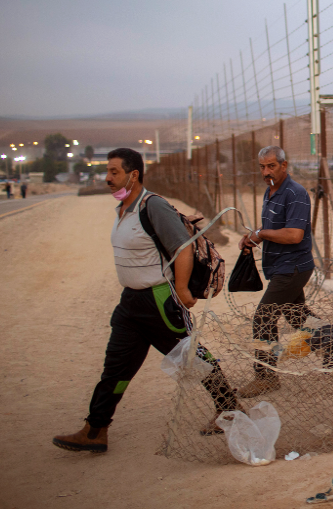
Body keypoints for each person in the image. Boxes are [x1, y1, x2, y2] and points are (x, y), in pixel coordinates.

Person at [52, 148, 238, 453]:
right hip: (130, 305)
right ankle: (96, 429)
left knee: (191, 357)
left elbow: (184, 249)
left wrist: (181, 289)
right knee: (116, 368)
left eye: (114, 172)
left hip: (159, 301)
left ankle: (230, 407)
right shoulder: (124, 208)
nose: (108, 178)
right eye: (107, 172)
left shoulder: (152, 206)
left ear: (133, 174)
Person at [236, 146, 316, 397]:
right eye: (262, 167)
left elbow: (294, 235)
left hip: (292, 267)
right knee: (298, 318)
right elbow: (272, 228)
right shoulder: (270, 192)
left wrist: (261, 234)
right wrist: (255, 237)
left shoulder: (295, 193)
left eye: (271, 166)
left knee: (263, 318)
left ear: (284, 165)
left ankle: (266, 377)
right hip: (278, 266)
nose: (266, 171)